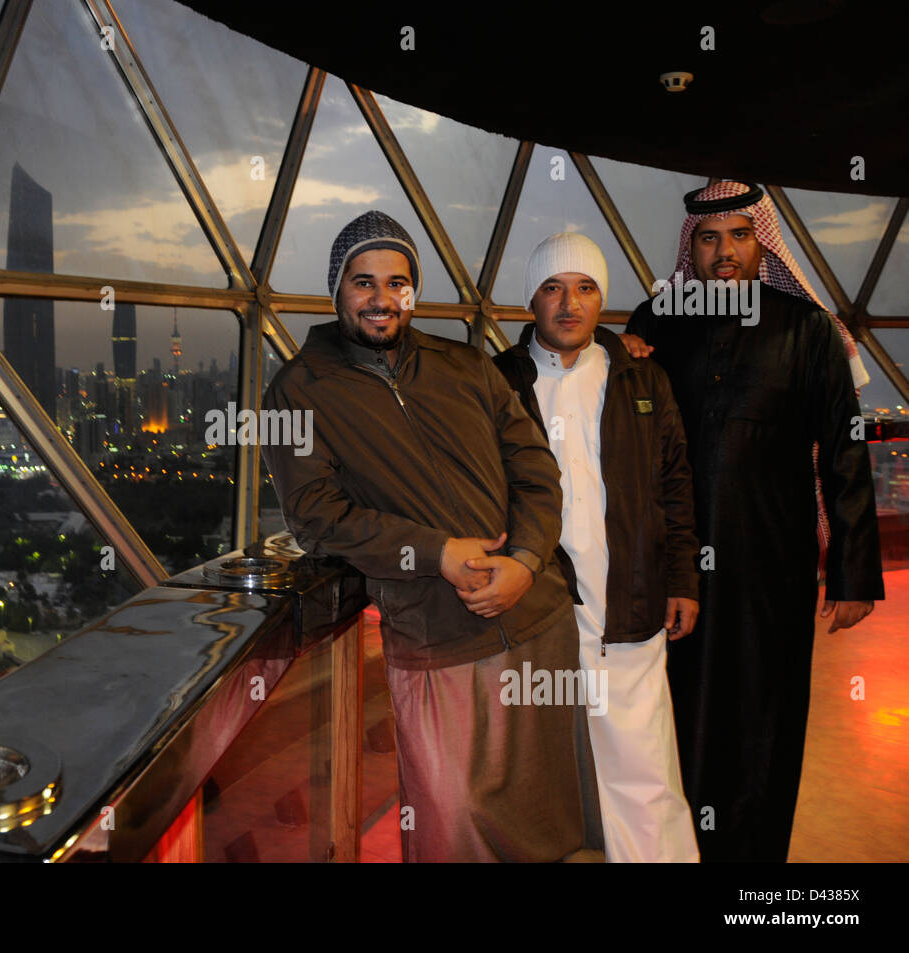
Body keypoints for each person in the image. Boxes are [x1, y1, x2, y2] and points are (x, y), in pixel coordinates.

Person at [261, 210, 588, 862]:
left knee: (549, 818)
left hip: (538, 617)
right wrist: (436, 552)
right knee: (451, 821)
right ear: (337, 290)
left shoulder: (464, 365)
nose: (383, 299)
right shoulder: (296, 390)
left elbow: (535, 470)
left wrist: (525, 558)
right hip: (434, 635)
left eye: (398, 281)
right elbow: (314, 514)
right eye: (363, 281)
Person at [625, 182, 885, 862]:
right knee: (671, 713)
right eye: (709, 239)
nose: (724, 253)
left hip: (773, 565)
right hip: (671, 565)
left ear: (760, 242)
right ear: (693, 247)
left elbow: (844, 447)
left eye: (739, 236)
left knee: (763, 718)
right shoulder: (655, 324)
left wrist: (853, 573)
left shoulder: (807, 330)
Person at [493, 232, 700, 862]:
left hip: (630, 607)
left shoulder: (642, 375)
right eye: (553, 287)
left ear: (601, 298)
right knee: (545, 776)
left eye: (584, 288)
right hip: (538, 613)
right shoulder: (497, 381)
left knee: (646, 769)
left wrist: (684, 579)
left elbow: (674, 485)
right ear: (531, 297)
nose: (569, 304)